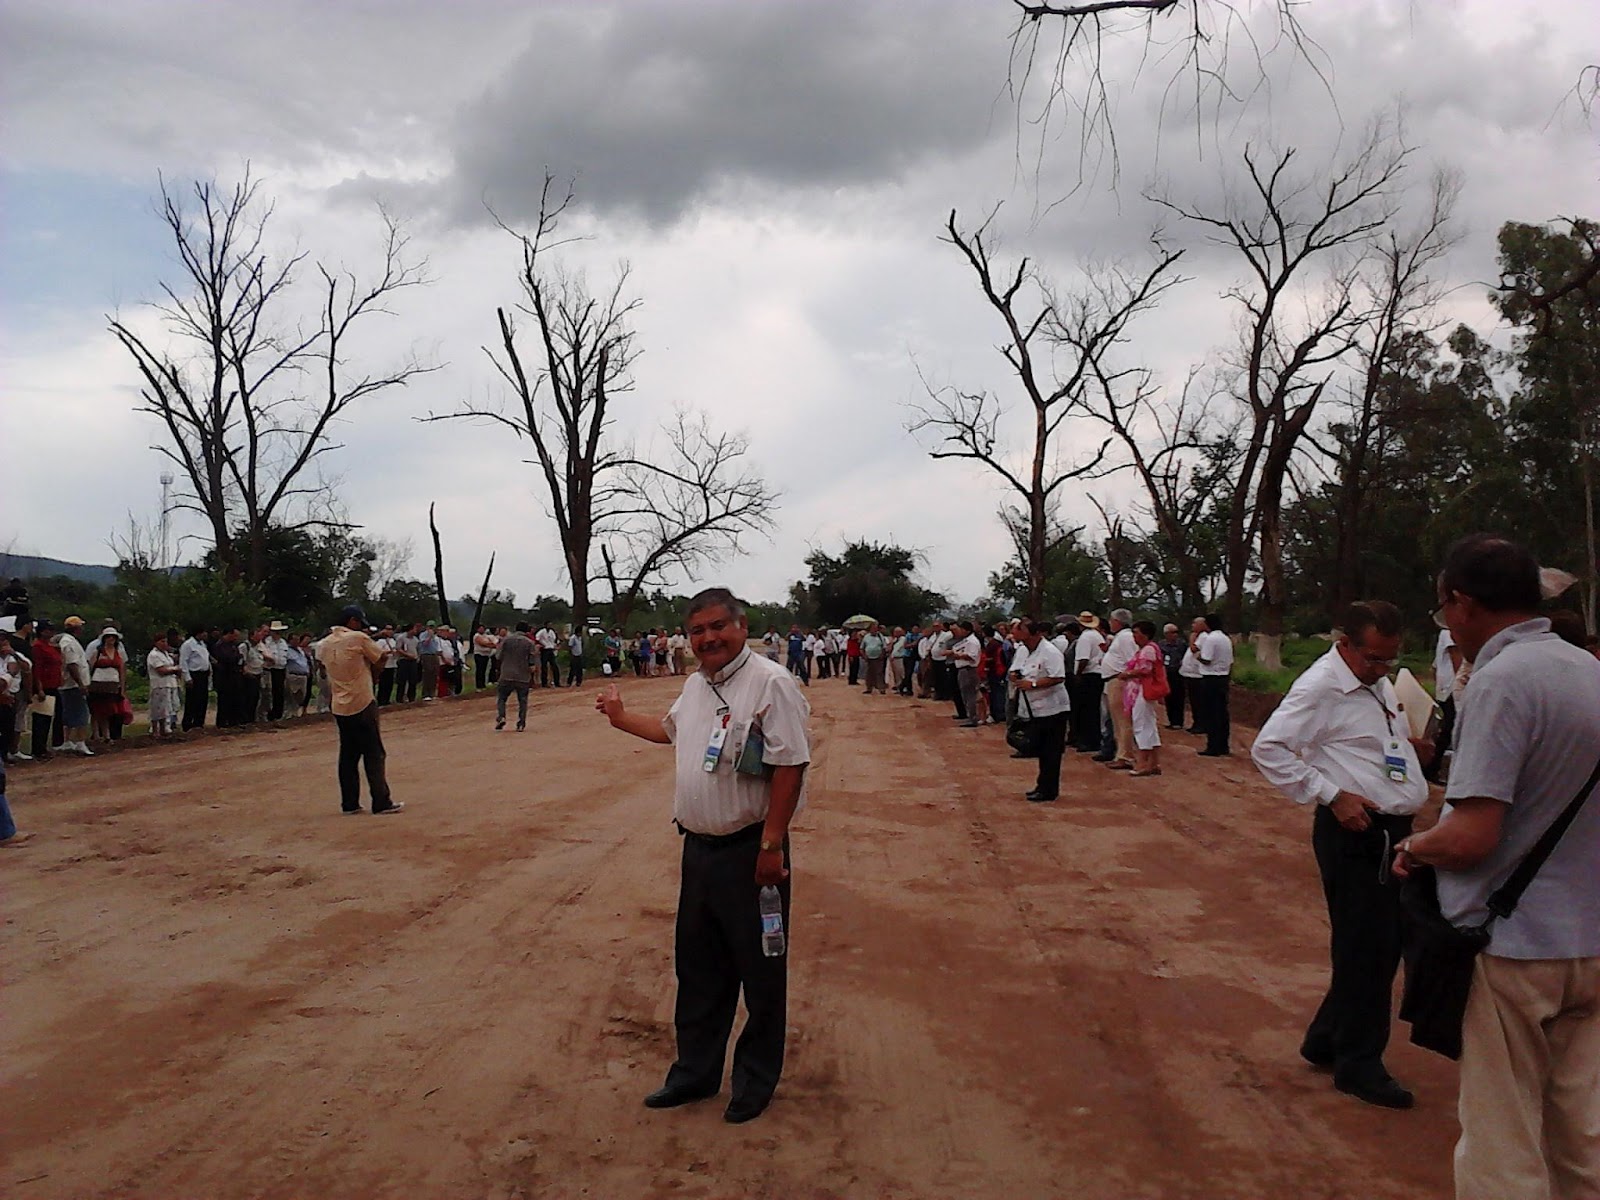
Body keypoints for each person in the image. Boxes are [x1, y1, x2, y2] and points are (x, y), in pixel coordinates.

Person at [1394, 536, 1600, 1197]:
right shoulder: (1589, 671)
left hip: (1513, 948)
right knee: (1582, 1135)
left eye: (1444, 610)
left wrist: (1413, 847)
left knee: (1501, 1140)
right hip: (1590, 940)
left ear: (1461, 603)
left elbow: (1471, 838)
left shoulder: (1502, 681)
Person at [596, 587, 810, 1125]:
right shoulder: (696, 686)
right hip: (699, 851)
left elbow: (790, 765)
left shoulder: (770, 683)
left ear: (742, 626)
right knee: (698, 969)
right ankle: (694, 1073)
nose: (709, 638)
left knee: (760, 971)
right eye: (698, 631)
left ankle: (754, 1081)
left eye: (718, 626)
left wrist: (771, 844)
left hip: (751, 853)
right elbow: (668, 732)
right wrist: (620, 718)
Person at [1252, 600, 1426, 1110]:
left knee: (1377, 943)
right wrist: (1332, 795)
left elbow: (1367, 742)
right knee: (1368, 946)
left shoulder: (1374, 681)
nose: (1382, 668)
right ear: (1344, 644)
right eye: (1373, 658)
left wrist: (1409, 749)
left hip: (1390, 828)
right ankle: (1358, 1064)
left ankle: (1328, 1038)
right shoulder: (1320, 687)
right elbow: (1269, 748)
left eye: (1390, 659)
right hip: (1357, 830)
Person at [316, 605, 402, 816]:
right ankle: (381, 801)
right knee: (374, 753)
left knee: (348, 754)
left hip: (339, 703)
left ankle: (350, 803)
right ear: (352, 621)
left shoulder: (323, 644)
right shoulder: (358, 638)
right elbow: (381, 658)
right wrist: (374, 674)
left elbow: (321, 666)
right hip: (362, 699)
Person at [1011, 618, 1070, 802]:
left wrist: (1033, 684)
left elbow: (1058, 677)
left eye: (1021, 628)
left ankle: (1048, 790)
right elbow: (1016, 670)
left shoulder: (1050, 652)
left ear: (1035, 633)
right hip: (1033, 708)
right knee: (1040, 749)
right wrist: (1015, 676)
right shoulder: (1024, 650)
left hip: (1052, 709)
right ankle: (1042, 785)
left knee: (1050, 752)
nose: (1016, 631)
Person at [1122, 621, 1164, 776]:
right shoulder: (1150, 648)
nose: (1134, 636)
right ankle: (1153, 763)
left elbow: (1145, 670)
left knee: (1141, 725)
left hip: (1142, 690)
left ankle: (1143, 763)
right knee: (1149, 725)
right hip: (1143, 690)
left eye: (1136, 633)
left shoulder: (1147, 650)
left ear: (1145, 635)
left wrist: (1127, 674)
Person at [1194, 613, 1234, 756]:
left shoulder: (1211, 639)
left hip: (1211, 678)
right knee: (1222, 713)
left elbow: (1207, 659)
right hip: (1223, 677)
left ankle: (1213, 747)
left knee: (1211, 713)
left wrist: (1198, 657)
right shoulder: (1225, 638)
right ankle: (1223, 745)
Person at [55, 616, 93, 755]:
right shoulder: (68, 642)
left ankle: (68, 741)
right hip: (73, 685)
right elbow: (72, 665)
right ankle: (80, 742)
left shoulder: (70, 641)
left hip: (71, 684)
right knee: (81, 713)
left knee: (70, 713)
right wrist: (81, 683)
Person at [28, 620, 63, 758]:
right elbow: (37, 668)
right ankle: (38, 749)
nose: (51, 632)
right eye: (48, 630)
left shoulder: (50, 646)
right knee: (41, 718)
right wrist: (39, 688)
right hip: (45, 686)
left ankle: (44, 746)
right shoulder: (38, 647)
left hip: (54, 685)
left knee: (50, 717)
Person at [1071, 614, 1105, 753]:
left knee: (1085, 709)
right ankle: (1094, 739)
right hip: (1098, 674)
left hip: (1088, 674)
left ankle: (1086, 741)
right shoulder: (1097, 635)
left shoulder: (1085, 638)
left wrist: (1078, 674)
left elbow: (1083, 659)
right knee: (1093, 709)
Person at [87, 629, 127, 742]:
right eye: (108, 636)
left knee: (108, 710)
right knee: (96, 710)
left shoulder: (119, 652)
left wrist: (122, 687)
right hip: (98, 683)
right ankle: (96, 734)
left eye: (113, 637)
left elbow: (122, 671)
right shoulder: (98, 651)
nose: (111, 639)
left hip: (112, 684)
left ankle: (107, 734)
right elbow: (90, 667)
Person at [496, 622, 536, 731]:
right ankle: (521, 723)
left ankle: (501, 717)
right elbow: (532, 661)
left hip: (506, 674)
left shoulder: (506, 640)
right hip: (522, 675)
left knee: (502, 698)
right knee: (522, 700)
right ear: (526, 631)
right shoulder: (529, 643)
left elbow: (498, 656)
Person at [145, 630, 183, 737]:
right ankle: (155, 730)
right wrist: (175, 669)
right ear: (156, 642)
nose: (164, 644)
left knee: (167, 708)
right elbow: (161, 670)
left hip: (170, 683)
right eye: (162, 641)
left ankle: (164, 729)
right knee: (157, 708)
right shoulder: (154, 655)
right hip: (159, 684)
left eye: (165, 641)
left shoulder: (166, 654)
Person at [178, 624, 211, 730]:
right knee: (192, 700)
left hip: (203, 674)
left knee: (202, 699)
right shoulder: (188, 645)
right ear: (199, 633)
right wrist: (187, 678)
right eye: (204, 632)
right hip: (194, 674)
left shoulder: (203, 644)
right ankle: (188, 724)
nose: (206, 634)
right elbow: (183, 661)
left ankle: (199, 723)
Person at [948, 620, 981, 725]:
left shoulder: (972, 641)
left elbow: (972, 656)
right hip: (963, 669)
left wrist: (958, 656)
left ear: (967, 630)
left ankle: (973, 718)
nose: (960, 631)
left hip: (968, 669)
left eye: (961, 629)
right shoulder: (966, 641)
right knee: (965, 694)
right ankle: (970, 716)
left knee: (969, 694)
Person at [1179, 617, 1205, 734]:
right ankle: (1197, 722)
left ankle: (1200, 724)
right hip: (1190, 674)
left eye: (1195, 623)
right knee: (1193, 701)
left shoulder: (1203, 637)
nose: (1192, 625)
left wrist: (1192, 638)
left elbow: (1194, 648)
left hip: (1197, 675)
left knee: (1198, 701)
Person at [1159, 623, 1188, 730]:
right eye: (1172, 632)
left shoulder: (1182, 644)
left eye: (1176, 632)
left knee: (1179, 697)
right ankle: (1171, 720)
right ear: (1166, 634)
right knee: (1168, 697)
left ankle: (1178, 721)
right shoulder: (1161, 645)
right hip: (1166, 673)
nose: (1175, 635)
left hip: (1178, 673)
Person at [262, 622, 290, 720]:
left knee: (280, 692)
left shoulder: (283, 642)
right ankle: (269, 714)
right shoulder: (266, 642)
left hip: (281, 669)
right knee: (270, 692)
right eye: (276, 631)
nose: (278, 633)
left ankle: (278, 714)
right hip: (270, 670)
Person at [285, 633, 312, 716]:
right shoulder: (287, 650)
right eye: (295, 640)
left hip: (303, 675)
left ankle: (297, 711)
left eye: (298, 640)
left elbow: (304, 661)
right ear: (290, 640)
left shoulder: (300, 650)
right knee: (293, 694)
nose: (297, 641)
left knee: (302, 695)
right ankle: (292, 713)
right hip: (293, 675)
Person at [394, 622, 421, 703]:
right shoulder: (401, 638)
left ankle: (411, 698)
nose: (416, 630)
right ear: (410, 629)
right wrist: (408, 655)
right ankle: (399, 699)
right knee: (402, 680)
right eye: (414, 628)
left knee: (413, 680)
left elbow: (417, 649)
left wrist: (417, 656)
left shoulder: (415, 639)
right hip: (403, 660)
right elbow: (398, 648)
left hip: (413, 661)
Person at [861, 622, 890, 695]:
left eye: (876, 628)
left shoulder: (880, 636)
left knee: (879, 673)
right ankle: (869, 688)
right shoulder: (866, 637)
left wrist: (882, 655)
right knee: (869, 674)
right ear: (870, 629)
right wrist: (864, 655)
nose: (875, 630)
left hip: (878, 658)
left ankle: (881, 688)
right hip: (869, 658)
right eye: (873, 628)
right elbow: (862, 648)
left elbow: (884, 647)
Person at [374, 625, 397, 706]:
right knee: (383, 684)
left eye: (391, 629)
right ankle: (381, 701)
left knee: (389, 684)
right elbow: (378, 652)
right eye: (388, 629)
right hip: (384, 665)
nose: (389, 631)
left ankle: (387, 699)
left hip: (392, 664)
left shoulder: (393, 641)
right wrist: (388, 652)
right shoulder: (380, 641)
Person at [418, 623, 442, 701]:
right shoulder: (423, 635)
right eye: (430, 627)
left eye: (433, 627)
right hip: (426, 655)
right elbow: (425, 644)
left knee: (434, 674)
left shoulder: (435, 637)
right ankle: (425, 694)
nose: (431, 629)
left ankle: (432, 693)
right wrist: (429, 636)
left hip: (434, 655)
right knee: (427, 673)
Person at [473, 625, 498, 691]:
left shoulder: (486, 636)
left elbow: (493, 642)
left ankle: (483, 685)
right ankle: (479, 686)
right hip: (479, 654)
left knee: (484, 670)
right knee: (479, 670)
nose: (482, 630)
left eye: (483, 628)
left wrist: (491, 644)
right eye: (480, 628)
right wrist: (491, 645)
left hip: (486, 655)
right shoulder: (477, 636)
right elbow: (483, 643)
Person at [536, 624, 560, 688]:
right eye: (548, 625)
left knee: (554, 665)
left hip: (551, 649)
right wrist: (542, 644)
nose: (549, 626)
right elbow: (537, 638)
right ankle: (544, 683)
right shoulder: (542, 631)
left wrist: (555, 645)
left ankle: (557, 682)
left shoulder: (551, 632)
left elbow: (554, 639)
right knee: (544, 666)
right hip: (545, 650)